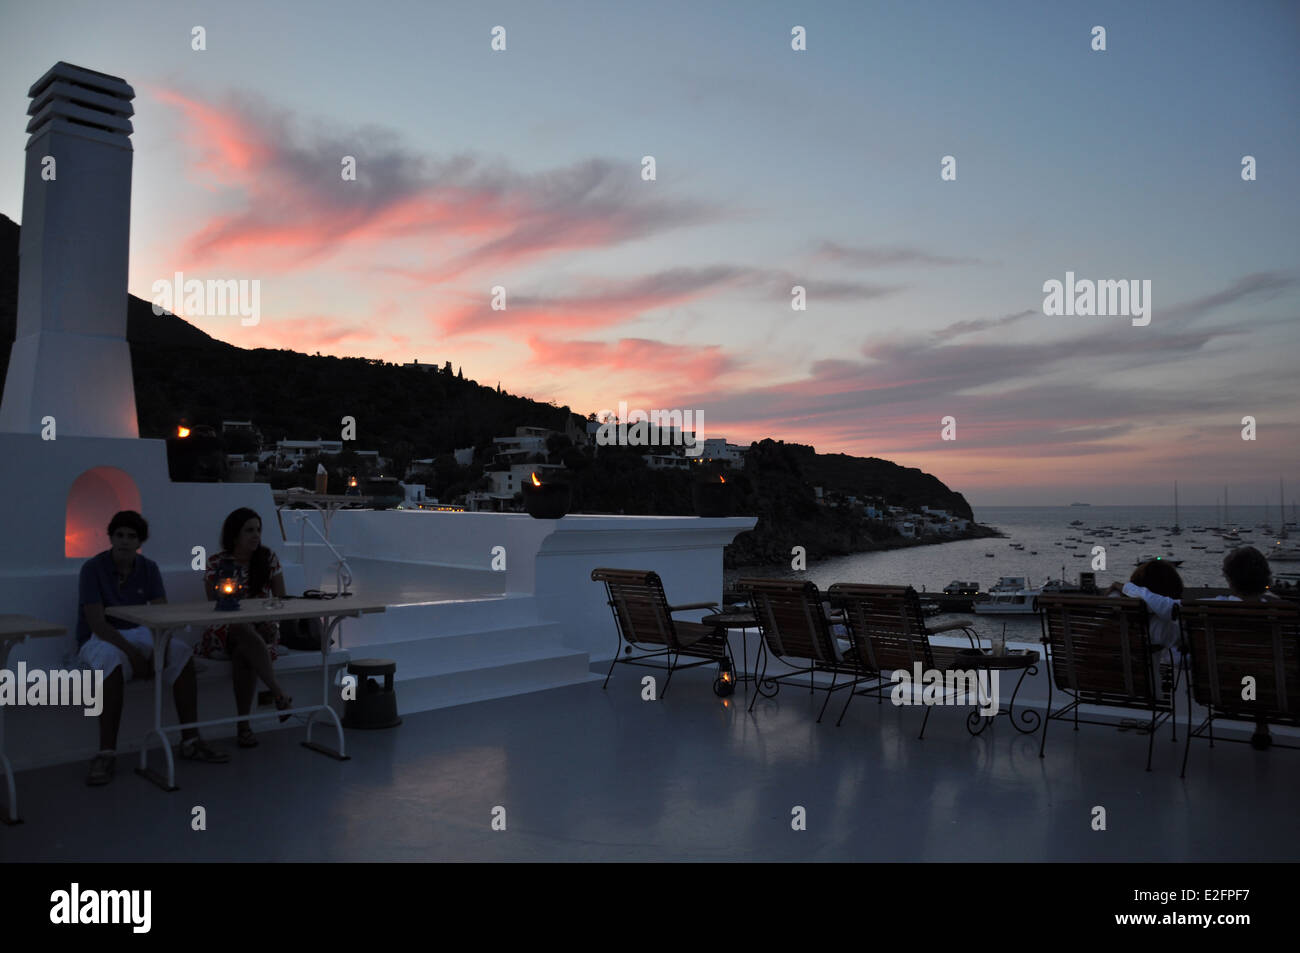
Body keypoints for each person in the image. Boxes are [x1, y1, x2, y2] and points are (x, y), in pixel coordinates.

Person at [78, 511, 229, 785]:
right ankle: (106, 753)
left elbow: (162, 616)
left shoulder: (148, 568)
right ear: (110, 537)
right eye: (120, 535)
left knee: (182, 652)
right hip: (102, 637)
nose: (124, 541)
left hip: (140, 633)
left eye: (131, 536)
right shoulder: (93, 569)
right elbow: (97, 624)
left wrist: (161, 649)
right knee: (111, 661)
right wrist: (135, 655)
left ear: (140, 541)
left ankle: (190, 740)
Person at [196, 508, 293, 748]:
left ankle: (244, 727)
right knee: (240, 628)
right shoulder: (217, 563)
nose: (256, 535)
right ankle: (279, 694)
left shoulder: (267, 559)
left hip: (261, 629)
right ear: (234, 534)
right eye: (249, 530)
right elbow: (214, 605)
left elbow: (281, 598)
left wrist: (263, 617)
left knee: (244, 653)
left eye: (258, 530)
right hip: (226, 630)